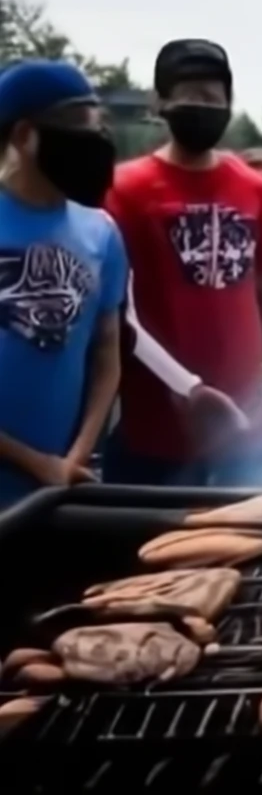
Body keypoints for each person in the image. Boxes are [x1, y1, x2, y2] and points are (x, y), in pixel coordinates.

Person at [103, 39, 262, 486]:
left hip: (248, 434)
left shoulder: (256, 191)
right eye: (189, 94)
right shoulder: (122, 190)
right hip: (154, 431)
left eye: (213, 98)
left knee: (247, 547)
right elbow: (113, 307)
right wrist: (183, 385)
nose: (202, 106)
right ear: (160, 103)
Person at [0, 61, 126, 505]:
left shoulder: (101, 232)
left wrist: (77, 454)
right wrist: (37, 463)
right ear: (22, 136)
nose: (93, 138)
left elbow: (106, 350)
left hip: (58, 486)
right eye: (76, 123)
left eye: (96, 122)